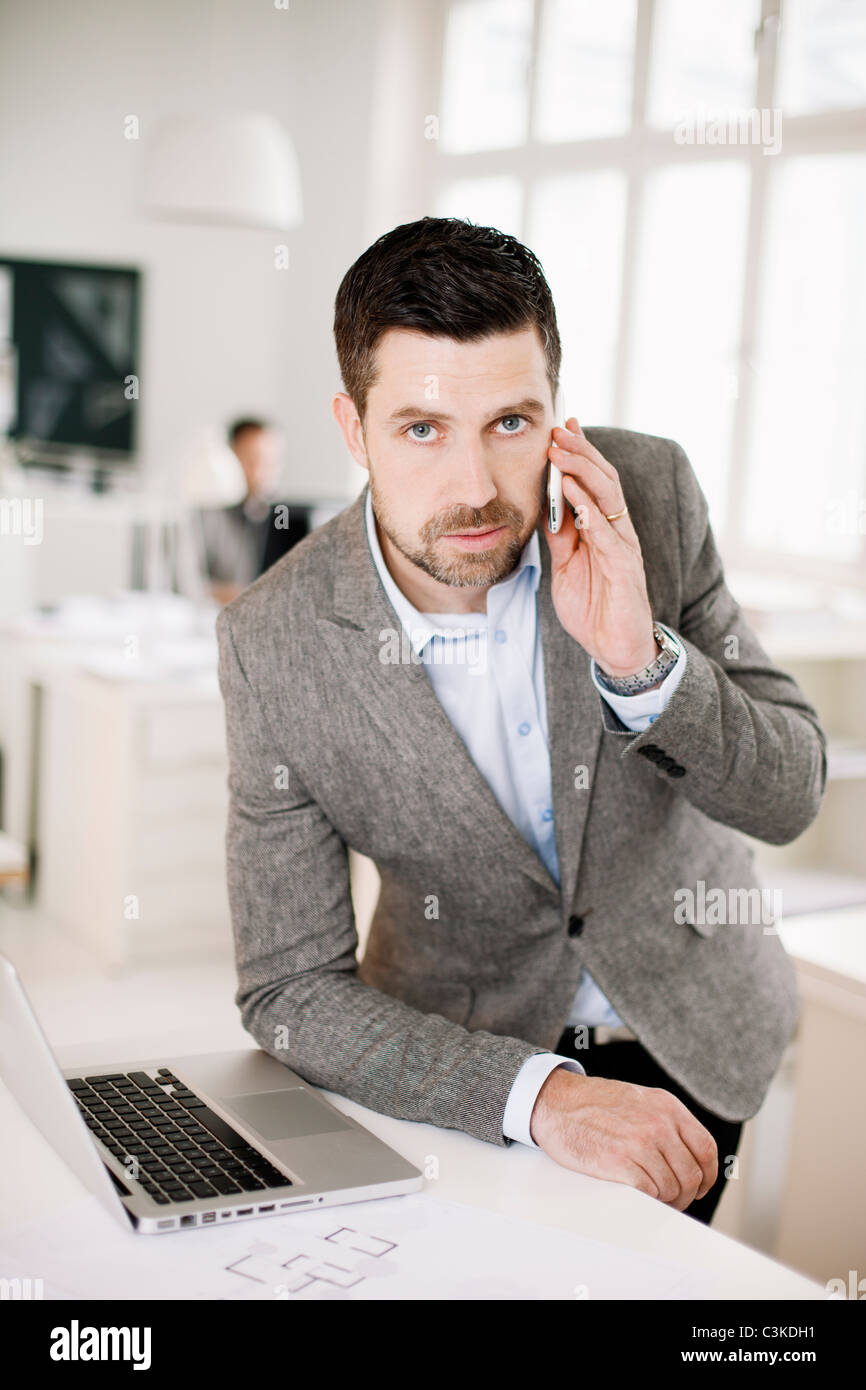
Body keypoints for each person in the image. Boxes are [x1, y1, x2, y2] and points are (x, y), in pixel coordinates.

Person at [215, 217, 826, 1225]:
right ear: (350, 426)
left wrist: (641, 662)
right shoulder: (274, 641)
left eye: (510, 423)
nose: (474, 489)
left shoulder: (650, 496)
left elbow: (790, 793)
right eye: (420, 428)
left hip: (694, 1031)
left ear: (555, 410)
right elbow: (286, 987)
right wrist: (538, 1093)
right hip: (461, 1061)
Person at [199, 417, 292, 605]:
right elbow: (190, 584)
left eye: (272, 461)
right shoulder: (208, 515)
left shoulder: (287, 518)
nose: (263, 472)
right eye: (253, 460)